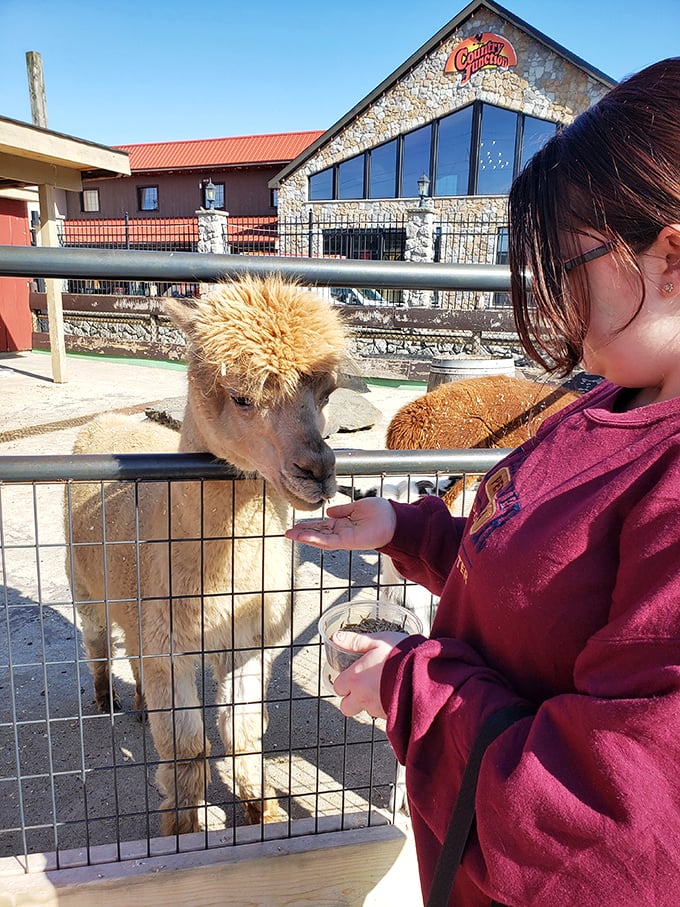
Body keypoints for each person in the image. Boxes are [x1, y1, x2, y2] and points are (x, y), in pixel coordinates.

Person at [286, 57, 680, 907]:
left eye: (567, 263)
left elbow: (612, 829)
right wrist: (410, 531)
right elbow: (547, 575)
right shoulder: (609, 400)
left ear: (672, 256)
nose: (546, 293)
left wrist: (408, 685)